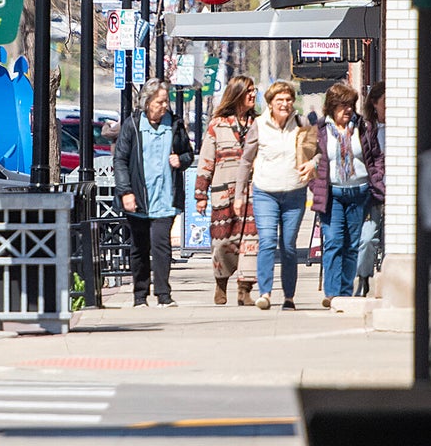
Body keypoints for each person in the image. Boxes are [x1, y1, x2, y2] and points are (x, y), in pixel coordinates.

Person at [113, 78, 195, 308]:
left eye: (166, 101)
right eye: (159, 102)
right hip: (138, 196)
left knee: (161, 244)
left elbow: (188, 154)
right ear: (147, 102)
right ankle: (140, 295)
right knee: (139, 247)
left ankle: (163, 295)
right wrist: (125, 191)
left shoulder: (175, 124)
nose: (164, 106)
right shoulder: (133, 125)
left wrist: (181, 159)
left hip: (165, 196)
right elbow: (120, 159)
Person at [236, 80, 317, 310]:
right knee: (268, 242)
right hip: (265, 193)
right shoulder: (259, 125)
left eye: (289, 99)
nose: (285, 103)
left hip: (294, 192)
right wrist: (240, 194)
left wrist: (312, 164)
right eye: (279, 100)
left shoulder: (302, 123)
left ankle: (289, 296)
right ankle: (265, 293)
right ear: (270, 103)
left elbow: (318, 154)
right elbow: (246, 160)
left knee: (289, 246)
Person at [310, 81, 385, 306]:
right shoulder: (321, 130)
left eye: (351, 105)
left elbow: (376, 157)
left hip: (359, 191)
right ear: (332, 107)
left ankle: (345, 292)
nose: (348, 110)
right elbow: (311, 160)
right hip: (332, 194)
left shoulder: (364, 127)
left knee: (352, 244)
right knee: (333, 241)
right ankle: (332, 293)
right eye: (342, 105)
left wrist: (378, 179)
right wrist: (316, 187)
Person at [193, 75, 259, 306]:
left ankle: (245, 289)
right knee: (222, 241)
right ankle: (221, 282)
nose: (253, 94)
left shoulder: (258, 124)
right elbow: (206, 160)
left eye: (254, 90)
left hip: (252, 192)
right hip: (224, 192)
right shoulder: (217, 125)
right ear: (237, 93)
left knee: (250, 240)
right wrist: (200, 195)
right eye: (248, 90)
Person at [353, 81, 387, 296]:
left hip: (399, 193)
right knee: (367, 239)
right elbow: (367, 162)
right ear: (374, 104)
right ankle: (363, 277)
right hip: (374, 192)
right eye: (386, 102)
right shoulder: (366, 130)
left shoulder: (406, 126)